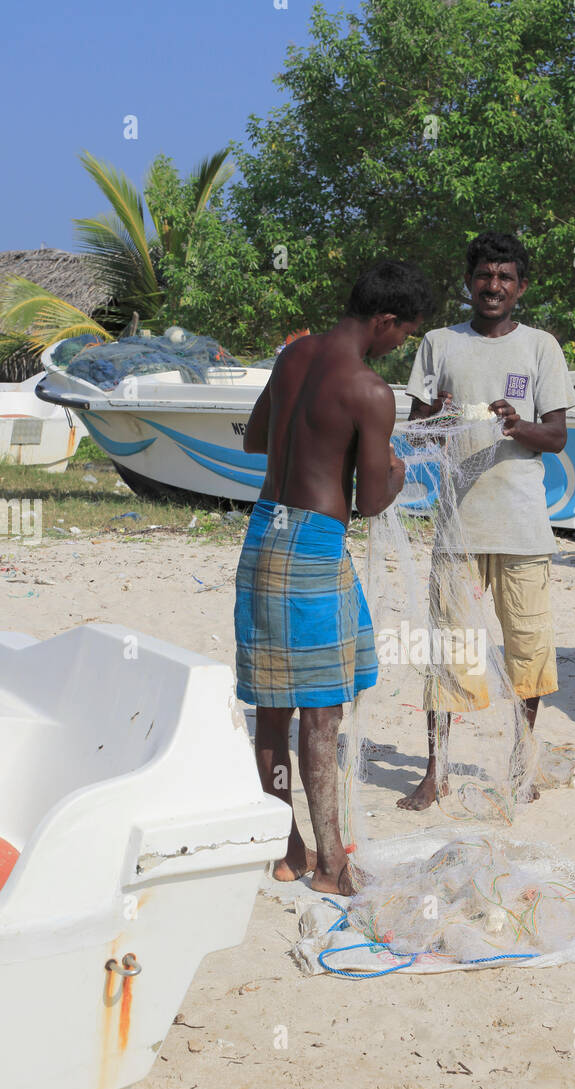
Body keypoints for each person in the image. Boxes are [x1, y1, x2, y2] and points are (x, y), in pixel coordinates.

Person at [235, 260, 434, 893]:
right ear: (385, 320)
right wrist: (395, 472)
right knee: (321, 712)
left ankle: (284, 846)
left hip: (264, 534)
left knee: (271, 705)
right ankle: (330, 864)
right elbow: (372, 502)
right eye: (403, 335)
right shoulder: (371, 392)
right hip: (316, 549)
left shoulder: (293, 355)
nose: (400, 347)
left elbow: (256, 440)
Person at [397, 230, 575, 810]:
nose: (493, 286)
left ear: (521, 287)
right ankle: (436, 771)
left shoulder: (541, 347)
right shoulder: (438, 344)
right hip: (458, 527)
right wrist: (440, 420)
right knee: (450, 648)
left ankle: (523, 762)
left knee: (528, 646)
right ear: (468, 282)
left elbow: (555, 436)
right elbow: (416, 428)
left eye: (505, 277)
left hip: (522, 525)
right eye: (484, 275)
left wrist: (513, 424)